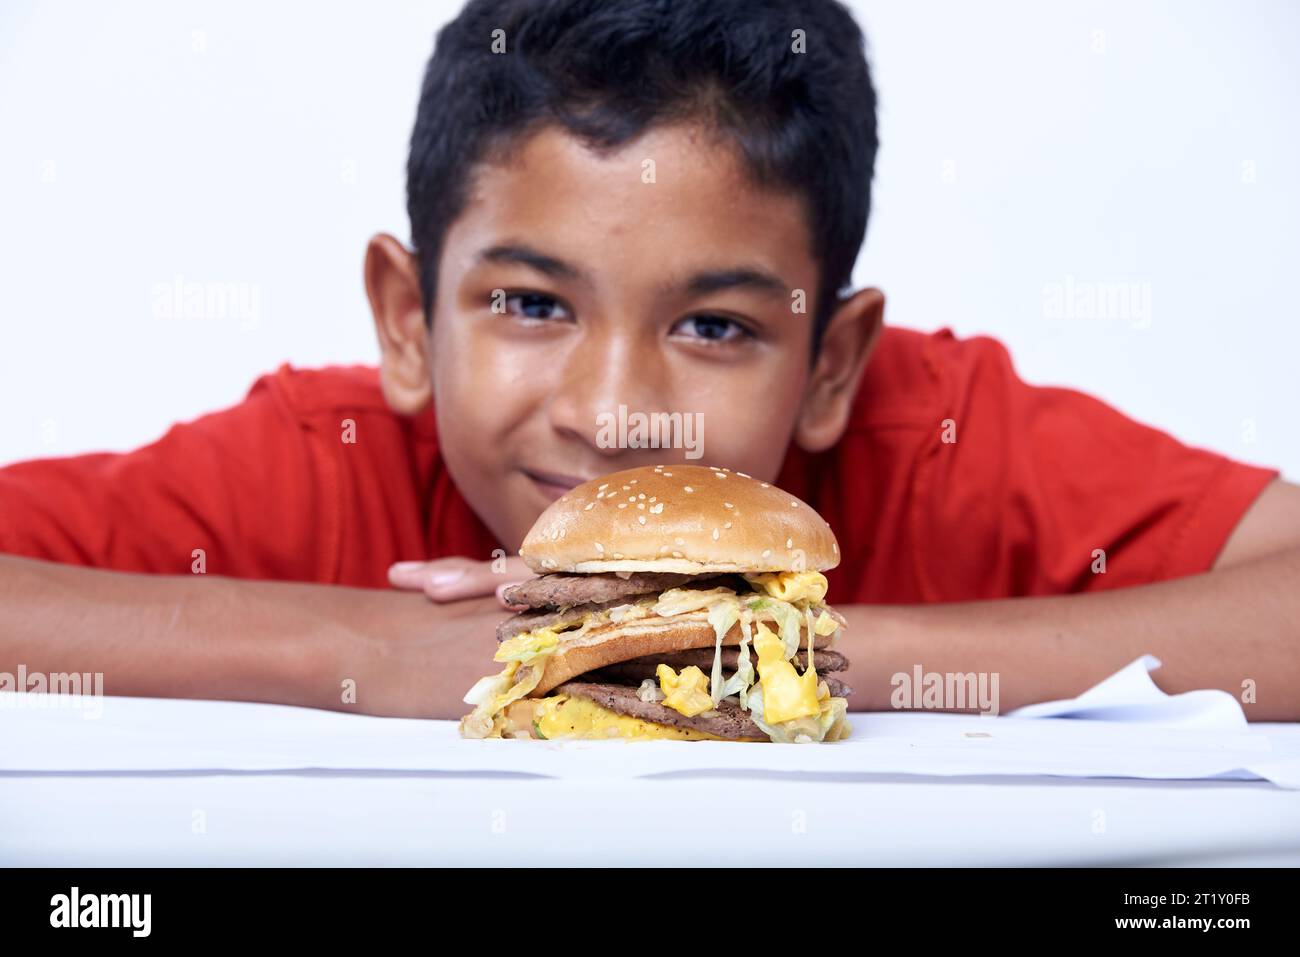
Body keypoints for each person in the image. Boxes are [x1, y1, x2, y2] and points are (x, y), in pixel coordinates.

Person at [2, 0, 1296, 720]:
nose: (617, 414)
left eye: (716, 327)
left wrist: (781, 647)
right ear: (408, 321)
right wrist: (369, 647)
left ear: (833, 364)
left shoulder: (933, 437)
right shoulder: (319, 468)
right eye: (528, 302)